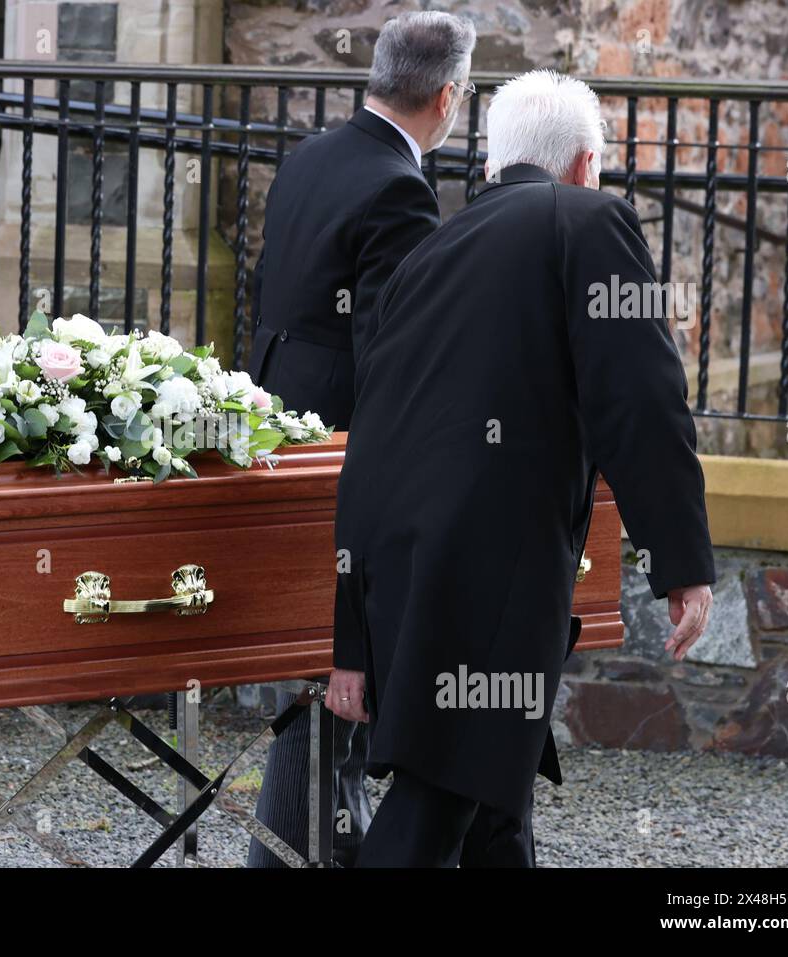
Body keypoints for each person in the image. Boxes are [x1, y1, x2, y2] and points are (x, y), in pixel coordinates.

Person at [330, 69, 716, 867]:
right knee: (438, 801)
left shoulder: (427, 252)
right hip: (492, 569)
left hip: (401, 563)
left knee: (490, 798)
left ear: (491, 164)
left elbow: (371, 436)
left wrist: (352, 632)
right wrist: (681, 561)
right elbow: (643, 397)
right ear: (583, 164)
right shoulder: (593, 220)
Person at [246, 10, 476, 868]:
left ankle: (288, 853)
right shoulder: (399, 187)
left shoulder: (310, 157)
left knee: (315, 689)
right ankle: (299, 857)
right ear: (447, 96)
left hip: (276, 426)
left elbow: (273, 298)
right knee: (343, 691)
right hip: (345, 451)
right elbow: (393, 358)